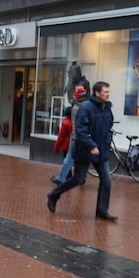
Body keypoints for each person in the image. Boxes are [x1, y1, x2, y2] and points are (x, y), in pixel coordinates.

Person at [47, 81, 118, 222]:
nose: (108, 94)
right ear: (97, 93)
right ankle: (54, 195)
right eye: (105, 92)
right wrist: (91, 145)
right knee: (78, 179)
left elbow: (108, 127)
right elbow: (80, 130)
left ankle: (102, 211)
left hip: (101, 151)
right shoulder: (86, 108)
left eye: (109, 92)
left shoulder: (107, 109)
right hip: (85, 150)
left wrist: (107, 141)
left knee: (106, 181)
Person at [52, 86, 87, 184]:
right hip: (88, 138)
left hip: (77, 138)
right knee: (82, 160)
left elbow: (75, 125)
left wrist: (74, 138)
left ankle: (61, 178)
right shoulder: (89, 106)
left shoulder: (75, 108)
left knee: (69, 159)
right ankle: (81, 178)